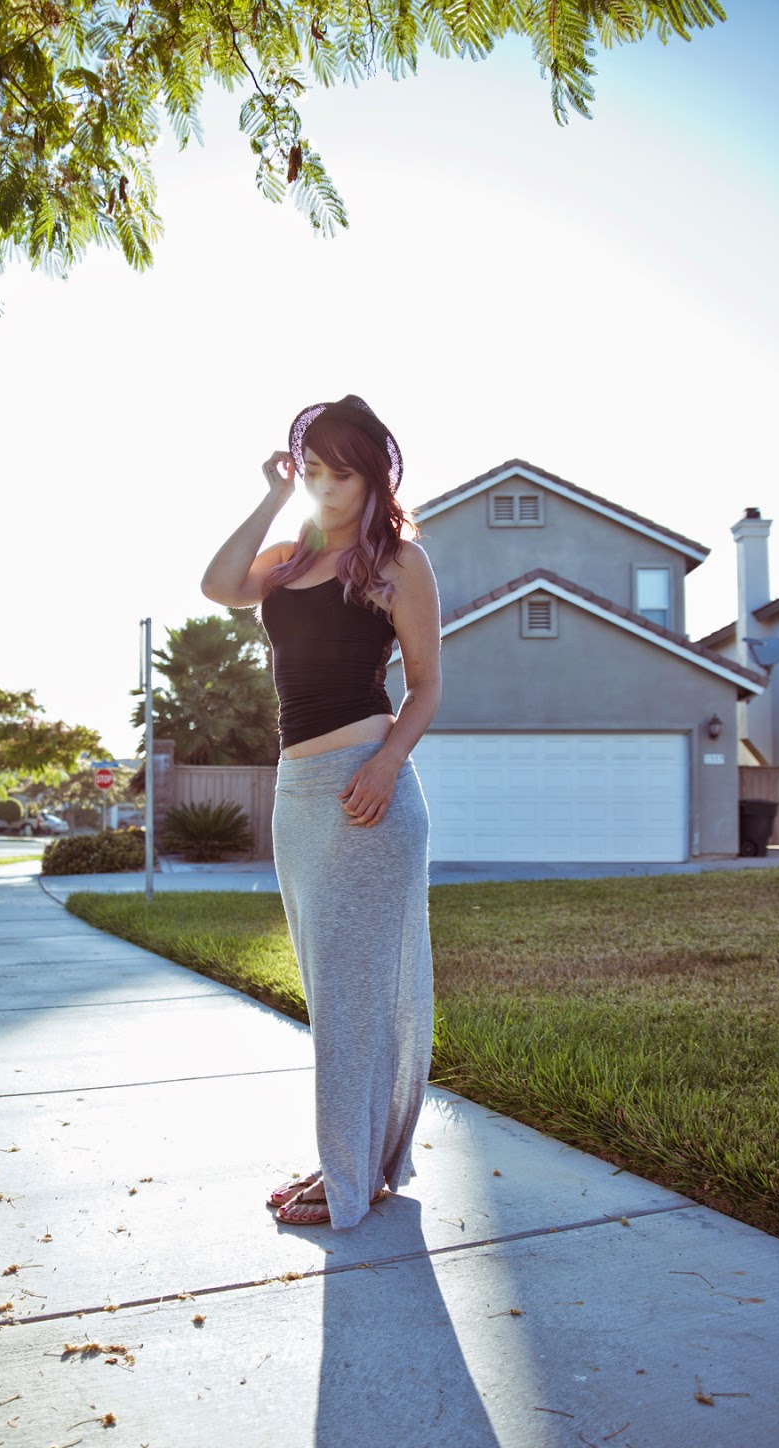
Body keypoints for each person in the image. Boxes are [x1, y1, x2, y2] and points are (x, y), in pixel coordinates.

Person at [201, 394, 441, 1229]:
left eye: (340, 473)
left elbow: (426, 684)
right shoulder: (290, 553)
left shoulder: (399, 564)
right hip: (297, 793)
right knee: (330, 993)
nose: (327, 488)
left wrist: (385, 761)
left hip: (365, 789)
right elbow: (217, 586)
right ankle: (352, 1160)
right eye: (313, 472)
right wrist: (274, 494)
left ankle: (351, 1177)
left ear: (372, 475)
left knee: (357, 996)